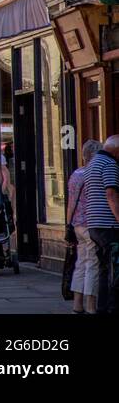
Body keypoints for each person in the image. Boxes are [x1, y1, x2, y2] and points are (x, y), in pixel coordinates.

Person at [83, 134, 119, 314]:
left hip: (94, 225)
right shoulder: (110, 164)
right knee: (114, 268)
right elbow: (111, 195)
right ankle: (112, 306)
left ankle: (102, 307)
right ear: (115, 150)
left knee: (104, 269)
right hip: (108, 225)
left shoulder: (92, 164)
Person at [68, 140, 103, 314]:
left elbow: (71, 203)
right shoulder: (94, 174)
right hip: (91, 224)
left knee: (81, 264)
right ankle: (91, 305)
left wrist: (69, 223)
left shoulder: (76, 174)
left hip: (77, 224)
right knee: (92, 265)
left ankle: (77, 303)